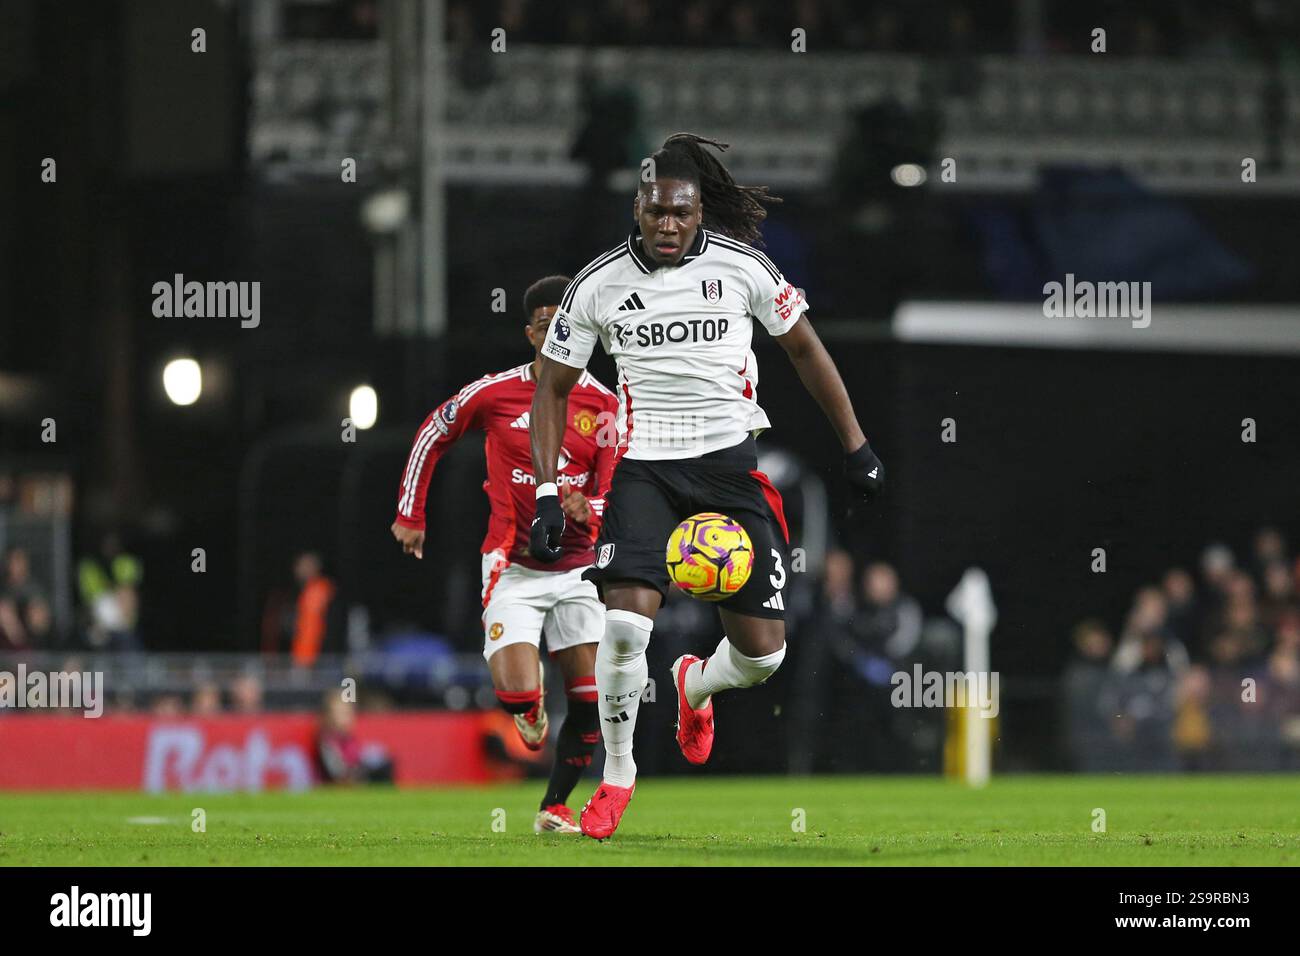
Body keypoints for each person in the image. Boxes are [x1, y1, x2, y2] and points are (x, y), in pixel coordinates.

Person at [527, 133, 885, 838]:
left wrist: (857, 444)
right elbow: (553, 388)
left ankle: (696, 684)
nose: (667, 224)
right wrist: (546, 489)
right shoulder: (597, 284)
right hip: (644, 470)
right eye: (656, 211)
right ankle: (619, 775)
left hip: (728, 468)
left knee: (763, 655)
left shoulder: (743, 267)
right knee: (626, 626)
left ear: (699, 212)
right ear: (638, 206)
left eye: (681, 212)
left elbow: (805, 349)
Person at [391, 275, 619, 834]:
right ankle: (528, 707)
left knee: (590, 698)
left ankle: (555, 807)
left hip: (577, 570)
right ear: (530, 334)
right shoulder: (494, 393)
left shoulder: (607, 405)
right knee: (516, 692)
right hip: (513, 567)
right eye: (546, 325)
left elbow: (619, 488)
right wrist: (410, 514)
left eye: (566, 323)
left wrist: (590, 507)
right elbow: (432, 433)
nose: (556, 333)